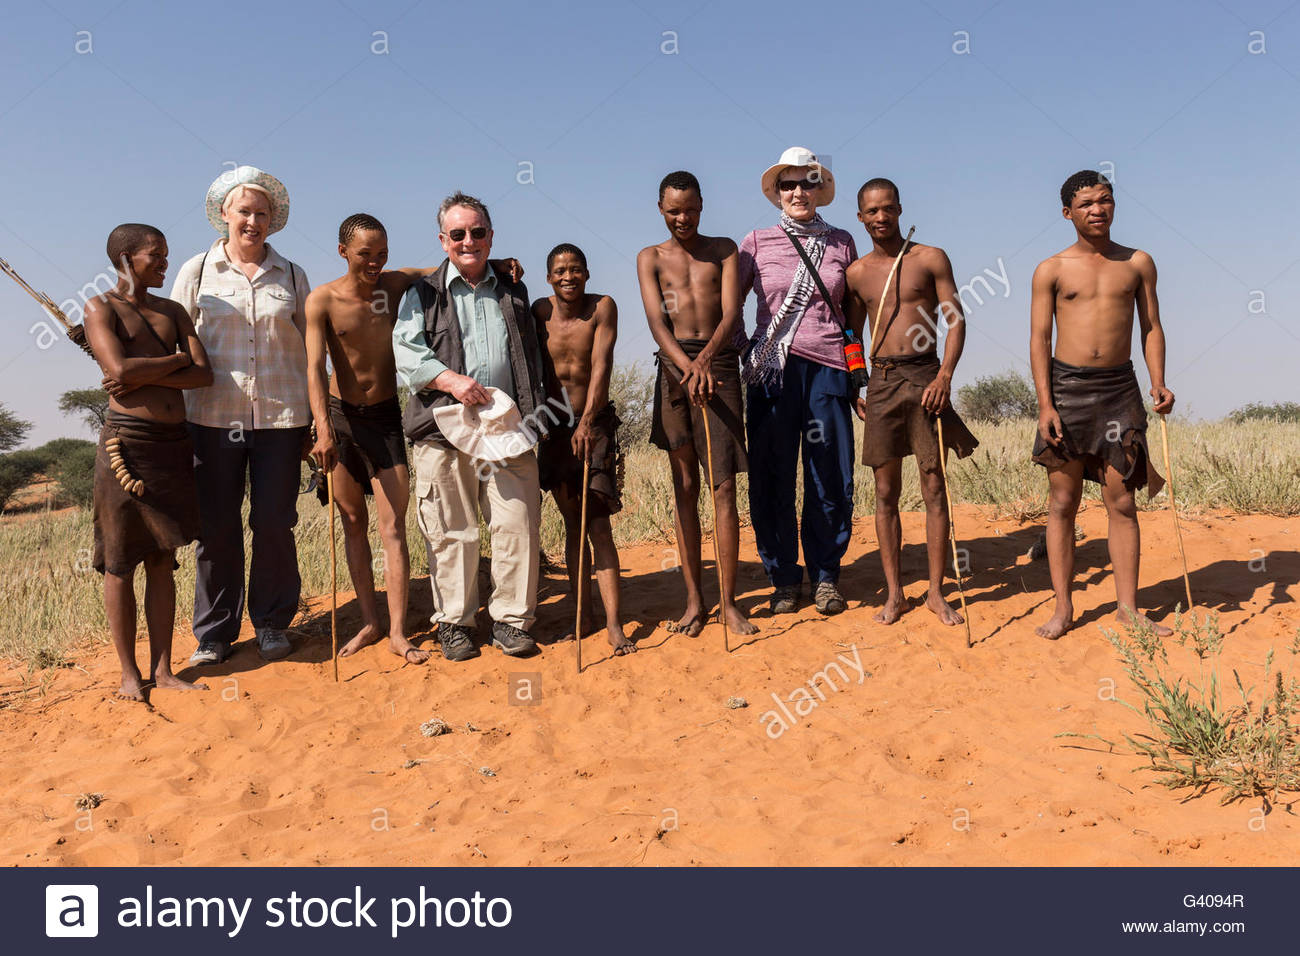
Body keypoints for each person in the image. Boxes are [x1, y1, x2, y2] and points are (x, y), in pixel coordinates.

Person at [393, 191, 549, 662]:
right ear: (443, 240)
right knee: (450, 529)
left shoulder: (512, 288)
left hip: (507, 424)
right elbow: (407, 352)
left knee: (517, 523)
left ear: (491, 236)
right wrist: (451, 380)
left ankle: (511, 621)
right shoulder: (421, 293)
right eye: (457, 234)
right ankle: (456, 624)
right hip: (443, 426)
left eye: (477, 232)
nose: (468, 241)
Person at [170, 166, 311, 664]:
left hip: (281, 418)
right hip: (211, 418)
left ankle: (272, 623)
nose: (252, 221)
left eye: (262, 213)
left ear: (274, 220)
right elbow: (174, 340)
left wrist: (319, 419)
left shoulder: (292, 275)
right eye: (244, 211)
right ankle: (214, 634)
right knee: (217, 528)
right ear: (223, 215)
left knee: (274, 522)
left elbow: (312, 352)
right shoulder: (197, 271)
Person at [1030, 170, 1173, 640]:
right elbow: (1039, 338)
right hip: (1066, 390)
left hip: (1119, 391)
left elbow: (1151, 327)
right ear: (1068, 212)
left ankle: (1129, 609)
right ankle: (1063, 608)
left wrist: (1158, 382)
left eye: (1106, 200)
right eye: (1087, 203)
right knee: (1063, 502)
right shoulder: (1051, 269)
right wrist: (1045, 404)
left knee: (1123, 502)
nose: (1098, 209)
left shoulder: (1137, 263)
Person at [84, 223, 213, 700]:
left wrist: (151, 371)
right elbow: (117, 371)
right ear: (125, 259)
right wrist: (174, 361)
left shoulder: (173, 310)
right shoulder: (101, 307)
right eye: (155, 256)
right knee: (118, 562)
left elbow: (204, 375)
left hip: (172, 445)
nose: (163, 263)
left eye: (165, 254)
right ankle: (127, 674)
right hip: (127, 446)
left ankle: (163, 669)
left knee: (163, 558)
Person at [845, 178, 979, 625]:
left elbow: (955, 320)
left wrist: (944, 375)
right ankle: (896, 593)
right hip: (881, 382)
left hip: (925, 375)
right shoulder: (857, 273)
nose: (881, 218)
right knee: (885, 491)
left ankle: (937, 593)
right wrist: (856, 384)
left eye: (888, 209)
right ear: (860, 218)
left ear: (900, 209)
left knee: (934, 484)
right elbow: (851, 333)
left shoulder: (930, 258)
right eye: (872, 212)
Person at [738, 147, 859, 616]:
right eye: (788, 185)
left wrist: (856, 369)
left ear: (819, 189)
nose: (797, 192)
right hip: (772, 371)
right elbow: (731, 303)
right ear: (777, 193)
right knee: (772, 474)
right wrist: (743, 348)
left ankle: (826, 575)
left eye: (807, 182)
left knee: (830, 471)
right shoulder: (755, 242)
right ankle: (784, 578)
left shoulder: (842, 242)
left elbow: (854, 309)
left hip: (828, 369)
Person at [305, 214, 431, 665]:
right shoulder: (321, 300)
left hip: (384, 417)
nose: (375, 263)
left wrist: (502, 263)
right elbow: (314, 368)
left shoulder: (395, 285)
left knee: (393, 527)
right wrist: (321, 428)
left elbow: (450, 265)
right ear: (343, 252)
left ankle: (397, 631)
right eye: (365, 255)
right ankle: (370, 622)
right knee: (353, 524)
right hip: (340, 419)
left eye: (382, 254)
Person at [637, 170, 755, 637]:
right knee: (684, 485)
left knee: (723, 487)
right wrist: (687, 368)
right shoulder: (650, 257)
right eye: (673, 210)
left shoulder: (724, 249)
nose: (682, 218)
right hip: (674, 369)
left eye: (689, 209)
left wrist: (705, 361)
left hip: (719, 365)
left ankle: (729, 603)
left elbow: (731, 312)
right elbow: (655, 320)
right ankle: (694, 601)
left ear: (702, 205)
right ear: (661, 210)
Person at [533, 243, 634, 655]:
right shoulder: (539, 312)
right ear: (549, 277)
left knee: (598, 526)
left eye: (575, 270)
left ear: (587, 274)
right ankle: (582, 616)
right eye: (559, 271)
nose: (568, 277)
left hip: (594, 425)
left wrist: (589, 422)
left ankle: (614, 625)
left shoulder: (602, 307)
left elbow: (602, 365)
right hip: (554, 429)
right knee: (573, 526)